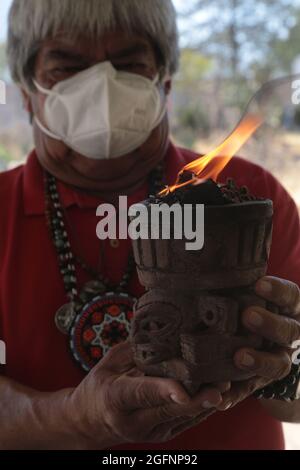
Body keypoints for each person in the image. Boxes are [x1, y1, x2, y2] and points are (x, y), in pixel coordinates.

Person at [0, 0, 299, 450]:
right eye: (68, 67)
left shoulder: (251, 201)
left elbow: (295, 398)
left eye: (129, 64)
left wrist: (284, 361)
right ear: (27, 91)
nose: (102, 88)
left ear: (166, 82)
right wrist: (72, 419)